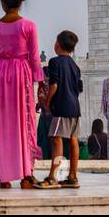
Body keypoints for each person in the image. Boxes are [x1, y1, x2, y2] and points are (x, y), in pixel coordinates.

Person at [0, 0, 46, 189]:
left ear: (2, 4)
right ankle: (26, 174)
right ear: (20, 3)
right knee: (24, 119)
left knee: (3, 122)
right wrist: (39, 81)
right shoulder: (28, 26)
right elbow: (35, 57)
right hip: (22, 72)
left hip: (2, 73)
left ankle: (4, 176)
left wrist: (3, 57)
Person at [41, 30, 83, 188]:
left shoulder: (54, 62)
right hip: (74, 108)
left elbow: (54, 85)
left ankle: (53, 176)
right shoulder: (75, 66)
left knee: (57, 139)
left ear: (57, 45)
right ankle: (73, 176)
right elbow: (79, 88)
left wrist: (48, 100)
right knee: (73, 141)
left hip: (61, 107)